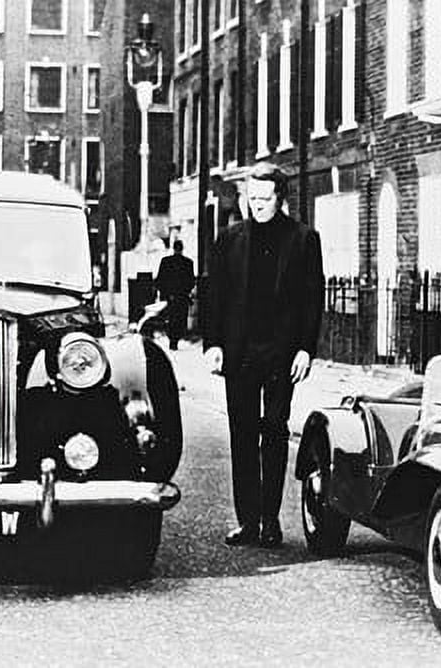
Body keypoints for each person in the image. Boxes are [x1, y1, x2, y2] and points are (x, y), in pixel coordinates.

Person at [204, 163, 324, 548]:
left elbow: (312, 299)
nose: (256, 205)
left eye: (264, 198)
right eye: (251, 198)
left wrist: (306, 349)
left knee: (274, 432)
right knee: (241, 435)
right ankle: (248, 521)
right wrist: (213, 344)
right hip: (239, 353)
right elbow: (214, 295)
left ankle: (271, 521)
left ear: (280, 198)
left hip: (281, 355)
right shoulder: (229, 240)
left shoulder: (304, 239)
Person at [155, 239, 195, 350]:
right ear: (182, 249)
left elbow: (160, 280)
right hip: (181, 297)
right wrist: (185, 292)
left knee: (170, 319)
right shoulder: (188, 263)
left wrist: (164, 293)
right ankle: (175, 340)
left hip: (170, 297)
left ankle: (173, 340)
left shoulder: (166, 261)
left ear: (173, 249)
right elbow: (191, 281)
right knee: (180, 320)